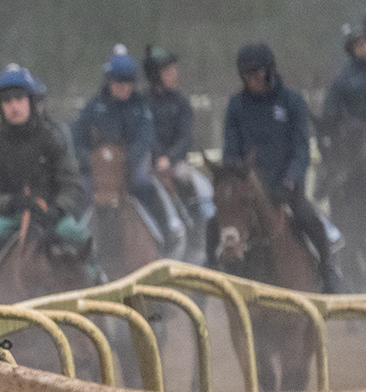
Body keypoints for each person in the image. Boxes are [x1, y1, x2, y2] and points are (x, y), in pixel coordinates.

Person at [220, 43, 343, 294]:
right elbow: (230, 150)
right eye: (246, 76)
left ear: (270, 71)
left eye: (256, 74)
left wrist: (289, 181)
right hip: (248, 189)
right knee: (218, 222)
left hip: (283, 187)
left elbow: (301, 150)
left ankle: (328, 271)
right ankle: (214, 270)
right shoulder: (236, 106)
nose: (252, 80)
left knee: (311, 221)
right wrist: (235, 175)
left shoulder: (293, 103)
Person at [0, 63, 93, 290]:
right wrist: (13, 202)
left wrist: (57, 209)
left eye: (19, 99)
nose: (14, 106)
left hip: (51, 216)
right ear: (0, 107)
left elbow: (72, 185)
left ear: (30, 101)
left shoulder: (53, 138)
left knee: (76, 233)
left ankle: (97, 283)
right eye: (7, 101)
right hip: (11, 218)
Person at [70, 46, 177, 251]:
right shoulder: (92, 108)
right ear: (109, 81)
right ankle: (72, 242)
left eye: (128, 82)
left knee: (145, 185)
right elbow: (78, 139)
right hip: (97, 171)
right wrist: (90, 162)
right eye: (119, 81)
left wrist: (126, 162)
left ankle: (165, 233)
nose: (124, 87)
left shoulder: (140, 108)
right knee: (79, 191)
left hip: (128, 168)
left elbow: (144, 139)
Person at [144, 45, 211, 233]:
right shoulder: (142, 104)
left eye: (174, 69)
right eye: (167, 70)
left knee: (186, 178)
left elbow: (185, 138)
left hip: (176, 162)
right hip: (149, 162)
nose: (174, 74)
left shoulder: (181, 104)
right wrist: (158, 157)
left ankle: (198, 229)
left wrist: (170, 159)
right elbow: (146, 135)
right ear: (155, 75)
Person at [320, 28, 366, 139]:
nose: (364, 47)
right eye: (359, 45)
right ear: (351, 50)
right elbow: (331, 109)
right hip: (359, 134)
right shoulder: (344, 79)